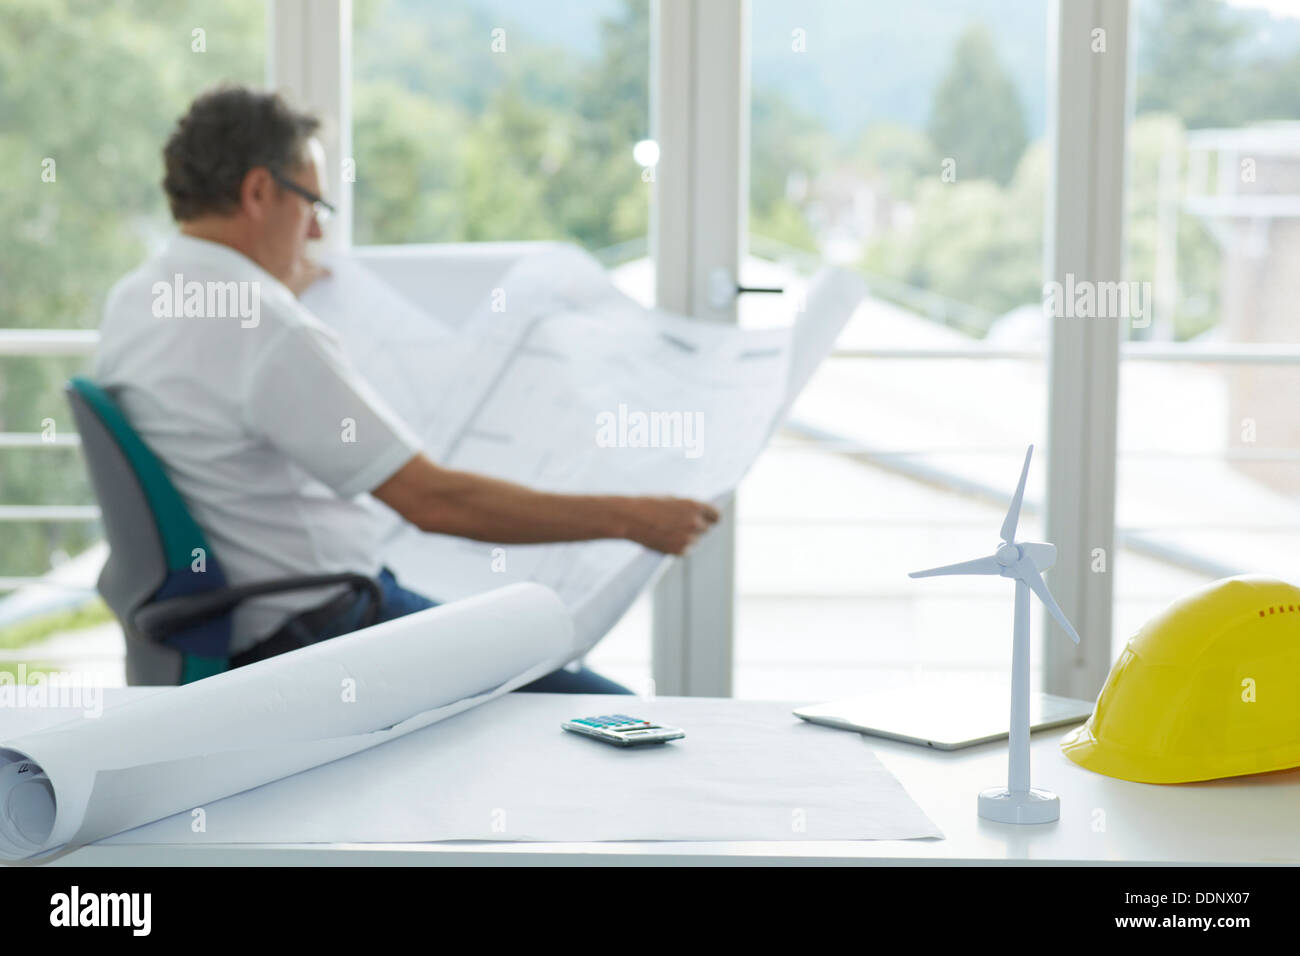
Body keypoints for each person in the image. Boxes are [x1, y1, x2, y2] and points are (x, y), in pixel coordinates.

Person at [94, 86, 719, 692]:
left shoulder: (136, 299)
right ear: (259, 191)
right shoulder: (266, 326)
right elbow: (436, 503)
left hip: (242, 626)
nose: (315, 234)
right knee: (605, 713)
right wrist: (636, 518)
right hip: (322, 635)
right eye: (312, 206)